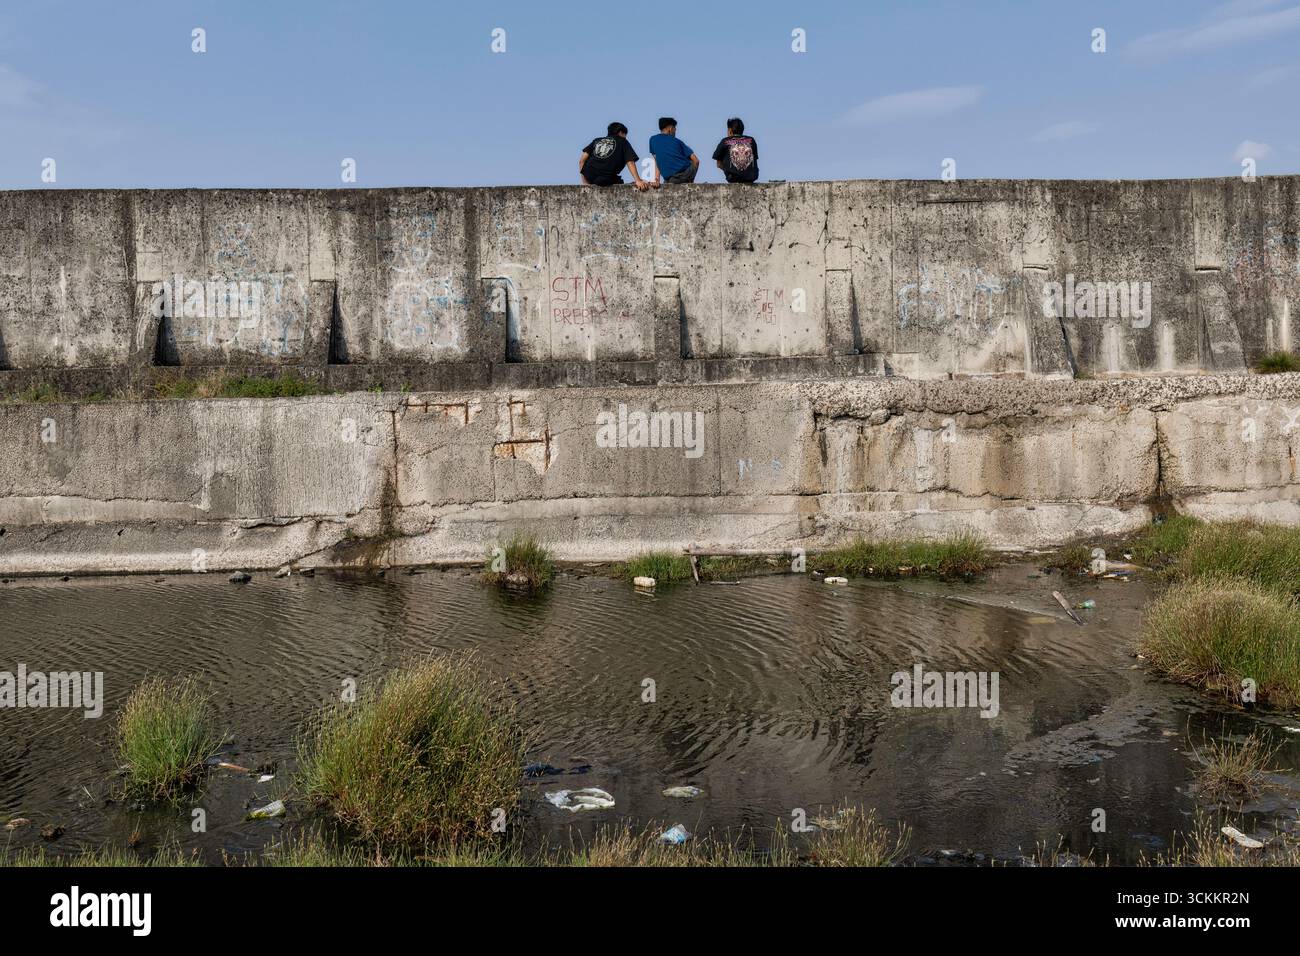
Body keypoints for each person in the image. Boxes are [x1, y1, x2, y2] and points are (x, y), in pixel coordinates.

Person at [579, 122, 653, 191]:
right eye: (625, 135)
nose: (625, 138)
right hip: (606, 178)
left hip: (590, 176)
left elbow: (582, 161)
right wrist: (638, 180)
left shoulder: (596, 140)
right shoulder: (622, 141)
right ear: (620, 132)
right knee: (623, 186)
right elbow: (630, 161)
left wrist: (585, 183)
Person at [648, 117, 699, 185]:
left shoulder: (652, 140)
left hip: (669, 179)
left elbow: (657, 160)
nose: (675, 132)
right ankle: (690, 182)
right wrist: (691, 179)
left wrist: (657, 179)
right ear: (670, 129)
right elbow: (696, 161)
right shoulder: (678, 141)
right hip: (683, 175)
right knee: (691, 159)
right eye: (675, 129)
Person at [712, 117, 759, 184]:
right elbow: (754, 161)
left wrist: (729, 170)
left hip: (733, 178)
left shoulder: (725, 141)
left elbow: (718, 164)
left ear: (730, 130)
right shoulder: (751, 140)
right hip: (751, 178)